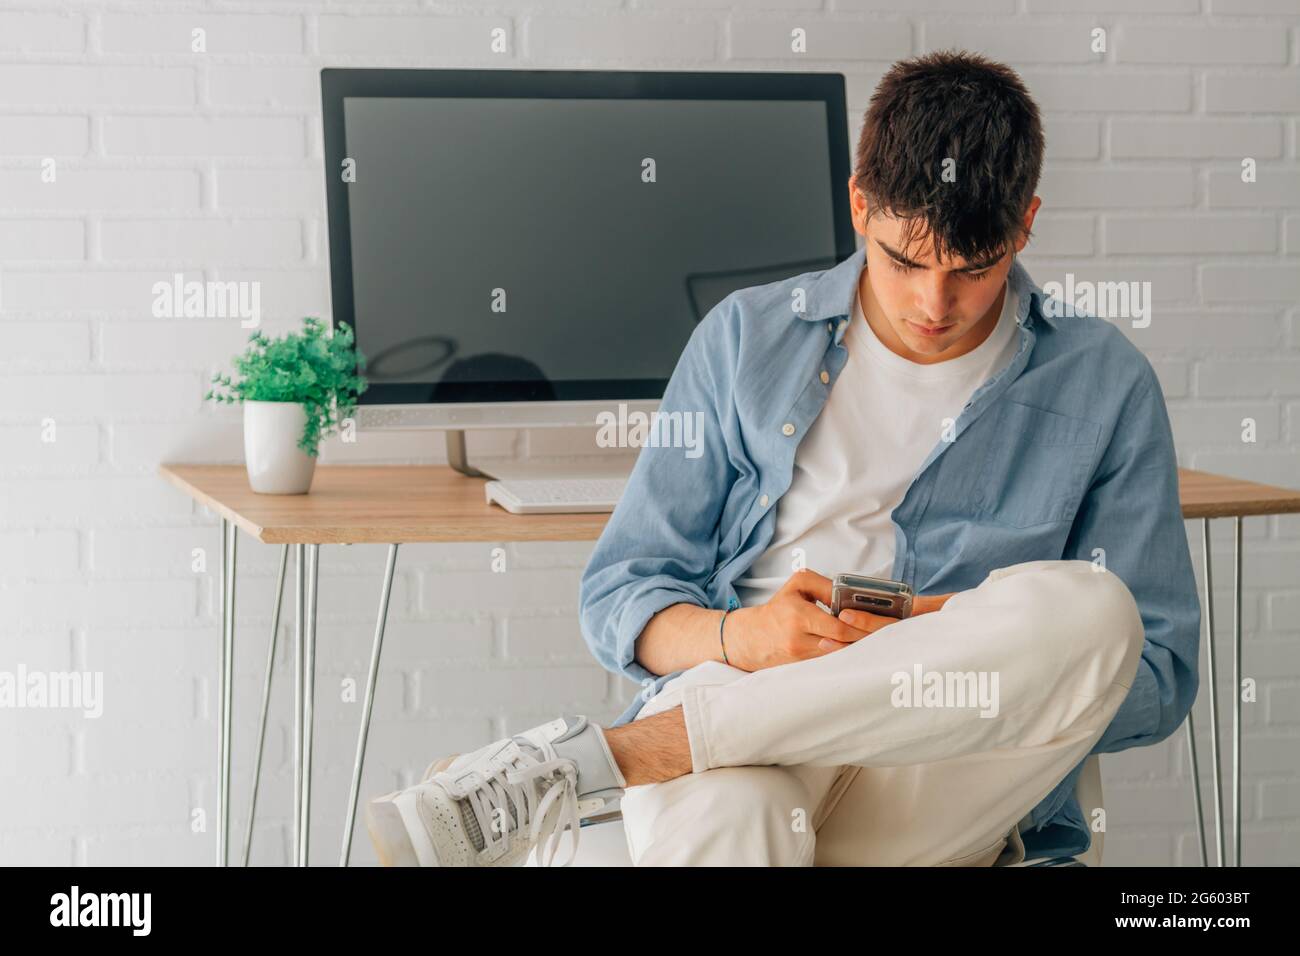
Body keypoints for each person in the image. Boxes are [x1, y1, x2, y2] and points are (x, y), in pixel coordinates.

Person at [364, 50, 1201, 868]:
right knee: (734, 810)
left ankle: (608, 759)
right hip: (745, 735)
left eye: (973, 270)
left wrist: (932, 638)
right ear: (859, 205)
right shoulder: (747, 337)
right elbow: (622, 592)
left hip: (942, 766)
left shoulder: (1102, 380)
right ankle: (671, 746)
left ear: (1025, 225)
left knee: (1095, 615)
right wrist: (744, 635)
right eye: (904, 261)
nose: (932, 304)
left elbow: (1157, 673)